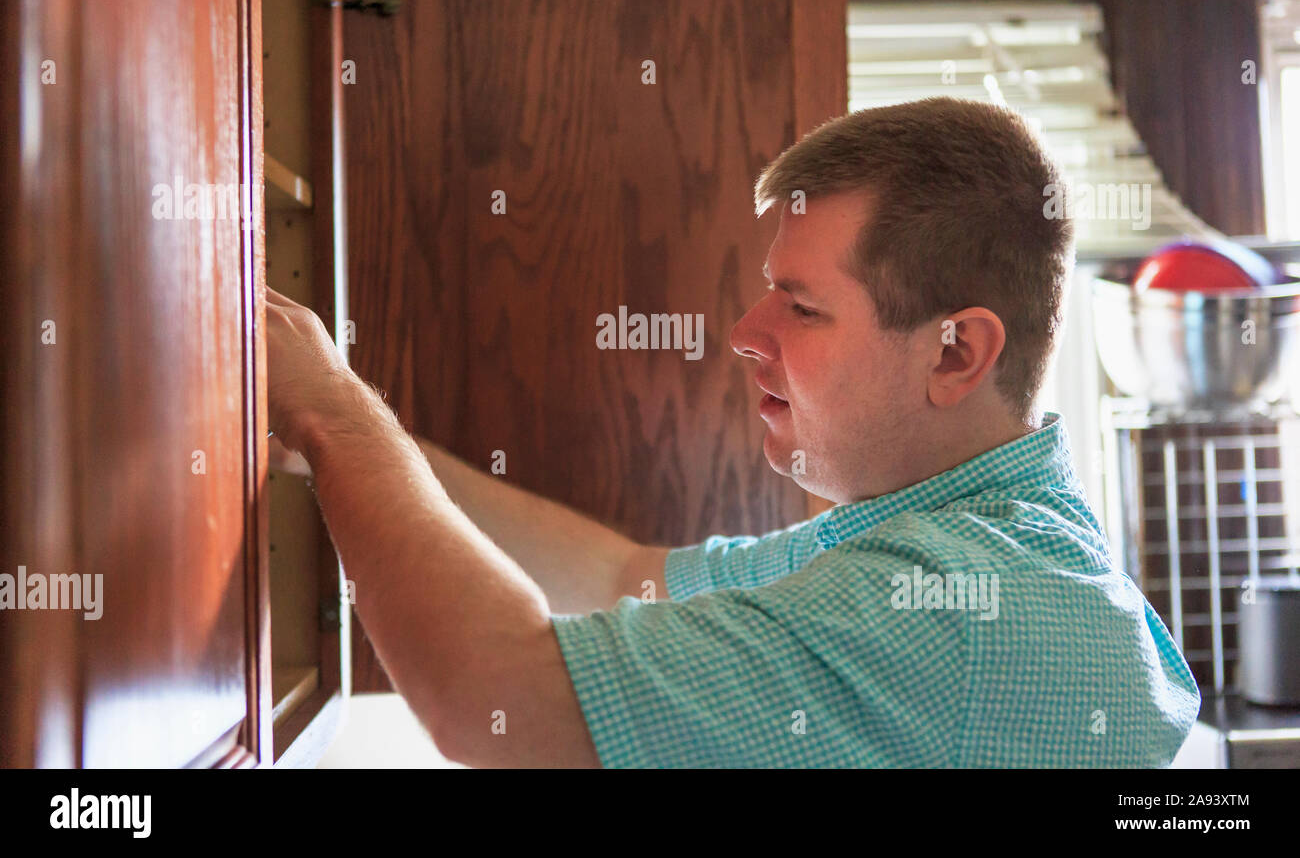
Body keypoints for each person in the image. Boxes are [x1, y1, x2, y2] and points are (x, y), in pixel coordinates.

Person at [266, 97, 1201, 768]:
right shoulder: (969, 539)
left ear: (956, 354)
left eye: (800, 306)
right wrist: (326, 436)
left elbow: (503, 701)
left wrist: (336, 416)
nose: (747, 334)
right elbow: (620, 576)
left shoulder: (954, 605)